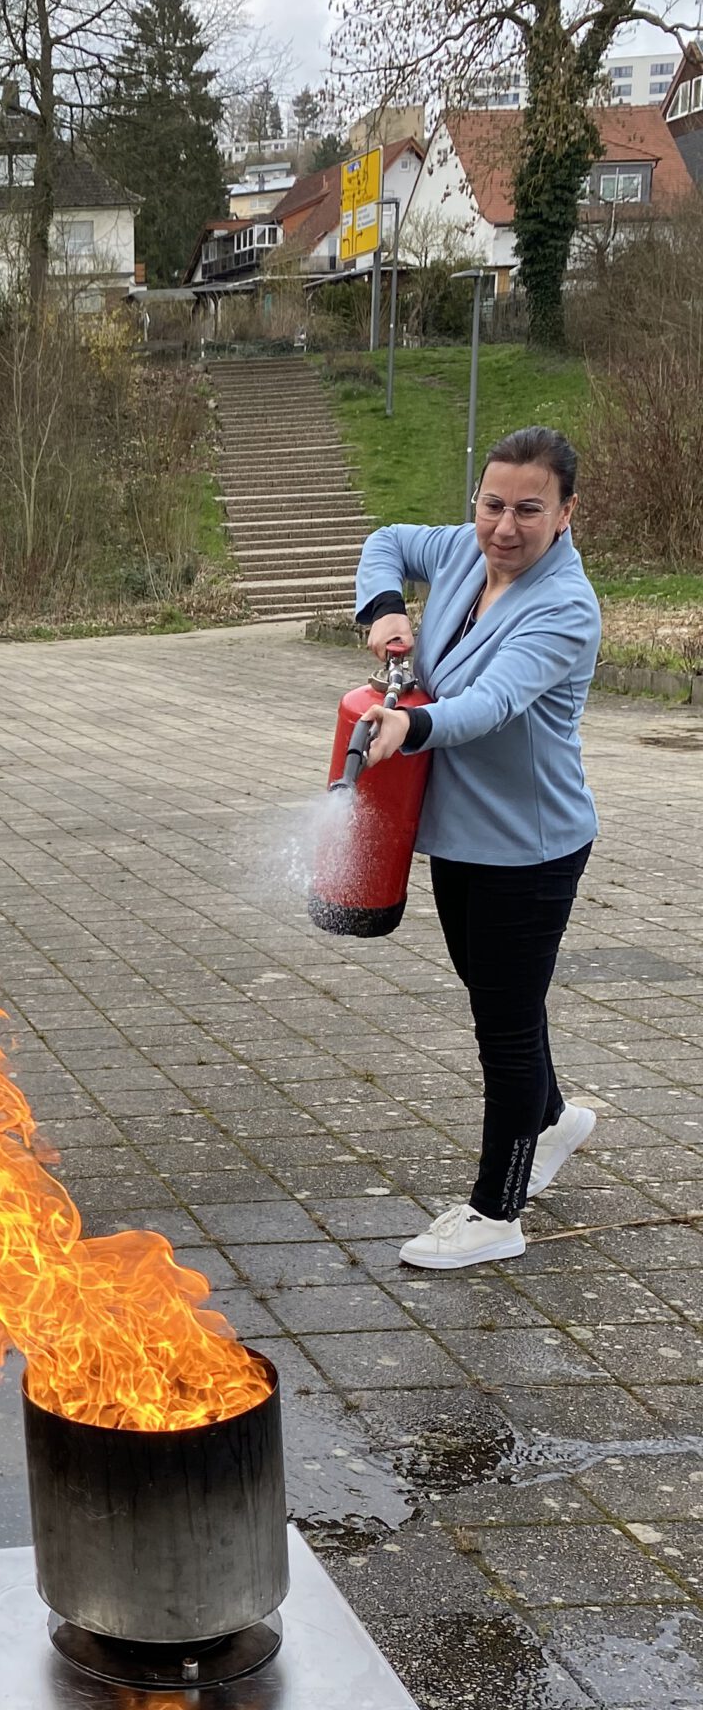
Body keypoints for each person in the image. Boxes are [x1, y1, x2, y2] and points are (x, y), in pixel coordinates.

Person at [354, 424, 600, 1272]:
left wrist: (408, 723)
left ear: (566, 512)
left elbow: (489, 705)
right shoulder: (464, 552)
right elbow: (386, 540)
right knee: (501, 997)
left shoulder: (565, 609)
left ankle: (498, 1213)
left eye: (530, 509)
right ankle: (555, 1118)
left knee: (505, 1028)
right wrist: (385, 609)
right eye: (493, 503)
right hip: (461, 837)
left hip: (527, 852)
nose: (504, 525)